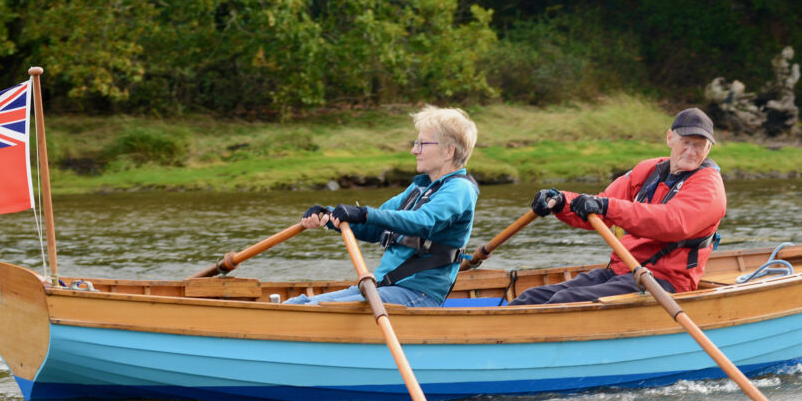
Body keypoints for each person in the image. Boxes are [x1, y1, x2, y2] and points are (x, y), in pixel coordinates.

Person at [510, 107, 725, 305]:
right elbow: (601, 204)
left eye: (699, 145)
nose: (691, 151)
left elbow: (672, 222)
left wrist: (606, 206)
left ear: (708, 149)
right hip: (623, 270)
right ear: (670, 138)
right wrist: (560, 201)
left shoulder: (709, 186)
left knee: (565, 300)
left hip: (666, 282)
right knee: (531, 297)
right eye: (686, 142)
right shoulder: (648, 170)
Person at [288, 105, 480, 307]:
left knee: (310, 309)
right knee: (297, 303)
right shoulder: (419, 188)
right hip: (383, 287)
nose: (414, 150)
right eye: (416, 143)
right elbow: (375, 226)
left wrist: (364, 213)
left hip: (418, 294)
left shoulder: (460, 189)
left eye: (422, 144)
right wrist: (328, 215)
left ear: (449, 151)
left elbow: (423, 222)